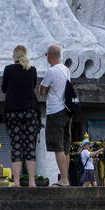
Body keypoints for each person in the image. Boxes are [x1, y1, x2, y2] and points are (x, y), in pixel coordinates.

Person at [2, 45, 40, 188]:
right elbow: (33, 86)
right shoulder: (32, 70)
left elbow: (4, 89)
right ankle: (32, 181)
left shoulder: (8, 69)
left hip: (13, 111)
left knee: (16, 145)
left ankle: (17, 181)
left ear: (14, 56)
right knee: (30, 146)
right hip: (30, 111)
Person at [38, 44, 70, 188]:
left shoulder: (51, 71)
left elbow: (42, 91)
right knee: (65, 147)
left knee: (57, 147)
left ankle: (64, 179)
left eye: (47, 56)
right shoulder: (66, 69)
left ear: (50, 56)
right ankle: (65, 177)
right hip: (67, 111)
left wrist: (46, 87)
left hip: (55, 111)